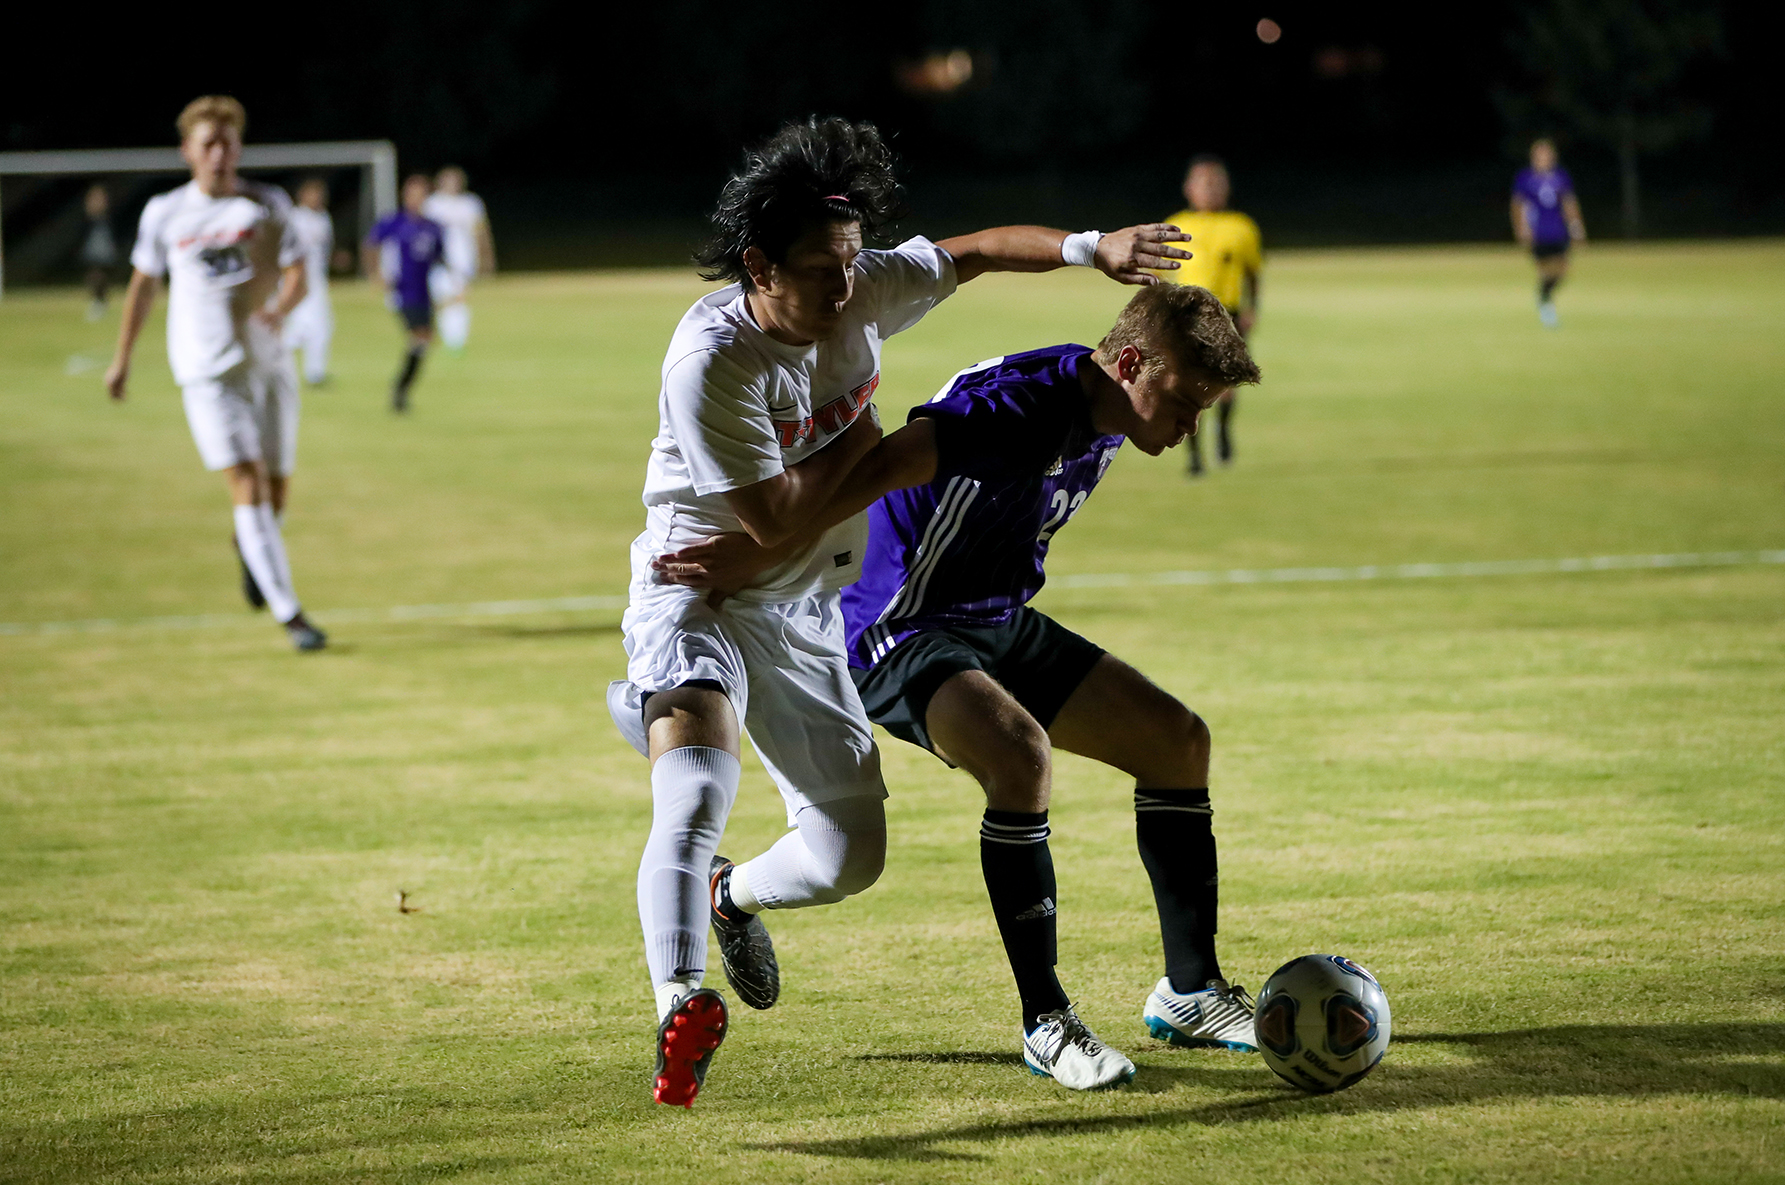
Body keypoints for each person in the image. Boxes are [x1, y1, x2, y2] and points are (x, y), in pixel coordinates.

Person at [606, 115, 1195, 1108]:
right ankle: (679, 1004)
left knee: (851, 850)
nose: (845, 288)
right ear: (758, 266)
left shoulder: (861, 284)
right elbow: (778, 514)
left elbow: (971, 253)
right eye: (820, 270)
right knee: (698, 787)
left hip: (797, 600)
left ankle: (730, 894)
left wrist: (1095, 250)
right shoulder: (713, 360)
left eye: (850, 262)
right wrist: (893, 442)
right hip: (696, 584)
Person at [655, 284, 1263, 1091]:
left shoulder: (1105, 406)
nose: (1191, 425)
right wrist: (761, 551)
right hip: (896, 624)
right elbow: (885, 462)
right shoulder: (1020, 408)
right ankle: (1045, 1021)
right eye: (1185, 402)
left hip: (991, 616)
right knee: (1019, 758)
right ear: (1126, 363)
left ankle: (1189, 991)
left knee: (1177, 742)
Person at [104, 95, 326, 652]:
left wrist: (280, 308)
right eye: (209, 144)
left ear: (239, 148)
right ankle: (292, 614)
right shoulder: (165, 214)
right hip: (207, 373)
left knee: (275, 490)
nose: (220, 153)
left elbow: (299, 273)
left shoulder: (266, 205)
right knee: (246, 480)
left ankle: (252, 549)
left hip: (270, 365)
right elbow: (143, 287)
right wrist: (123, 358)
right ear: (187, 152)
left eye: (228, 143)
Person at [1155, 154, 1260, 476]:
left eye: (1217, 184)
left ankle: (1224, 431)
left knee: (1226, 381)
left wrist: (1252, 308)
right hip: (1187, 312)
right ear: (1189, 188)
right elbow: (1159, 271)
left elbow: (1253, 273)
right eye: (1204, 183)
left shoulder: (1241, 226)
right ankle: (1194, 456)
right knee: (1185, 383)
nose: (1211, 190)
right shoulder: (1176, 224)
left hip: (1227, 312)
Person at [363, 175, 445, 413]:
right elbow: (371, 244)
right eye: (412, 194)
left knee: (425, 342)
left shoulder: (433, 227)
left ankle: (401, 391)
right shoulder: (394, 223)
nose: (416, 199)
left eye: (421, 195)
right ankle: (399, 393)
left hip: (424, 293)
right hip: (402, 292)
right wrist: (375, 274)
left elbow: (439, 258)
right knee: (419, 338)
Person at [1511, 138, 1586, 329]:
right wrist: (1521, 229)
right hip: (1537, 233)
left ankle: (1544, 297)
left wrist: (1576, 227)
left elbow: (1569, 203)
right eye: (1539, 154)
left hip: (1558, 231)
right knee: (1546, 270)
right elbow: (1518, 206)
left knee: (1562, 270)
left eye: (1547, 154)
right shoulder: (1525, 178)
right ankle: (1546, 304)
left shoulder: (1560, 177)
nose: (1543, 158)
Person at [422, 166, 494, 351]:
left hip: (463, 259)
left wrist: (486, 258)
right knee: (440, 295)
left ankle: (456, 340)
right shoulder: (432, 204)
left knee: (460, 297)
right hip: (438, 259)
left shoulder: (471, 203)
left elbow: (481, 232)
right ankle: (441, 334)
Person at [283, 178, 335, 385]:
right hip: (297, 278)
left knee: (317, 327)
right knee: (305, 327)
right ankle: (277, 359)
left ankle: (315, 373)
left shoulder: (323, 218)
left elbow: (325, 250)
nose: (317, 198)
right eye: (312, 193)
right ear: (302, 195)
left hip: (316, 279)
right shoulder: (294, 218)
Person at [79, 184, 119, 321]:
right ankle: (97, 300)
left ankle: (101, 300)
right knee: (92, 275)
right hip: (92, 248)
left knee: (101, 275)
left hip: (105, 249)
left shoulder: (110, 216)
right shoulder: (87, 218)